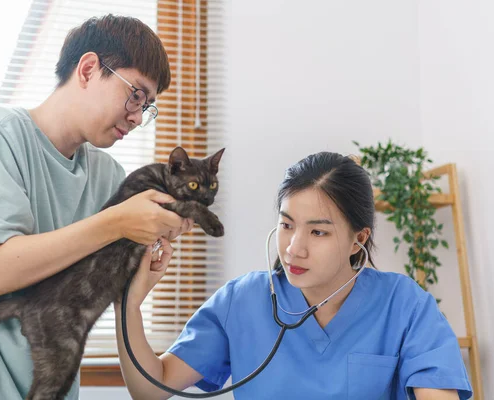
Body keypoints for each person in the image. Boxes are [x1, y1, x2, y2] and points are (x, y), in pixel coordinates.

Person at [0, 14, 194, 400]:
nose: (138, 117)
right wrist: (118, 222)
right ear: (88, 69)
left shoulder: (109, 177)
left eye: (147, 107)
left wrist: (137, 282)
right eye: (135, 95)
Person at [116, 152, 473, 400]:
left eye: (318, 232)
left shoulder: (405, 306)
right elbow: (151, 387)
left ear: (358, 239)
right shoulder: (241, 301)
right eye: (287, 225)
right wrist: (129, 305)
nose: (294, 249)